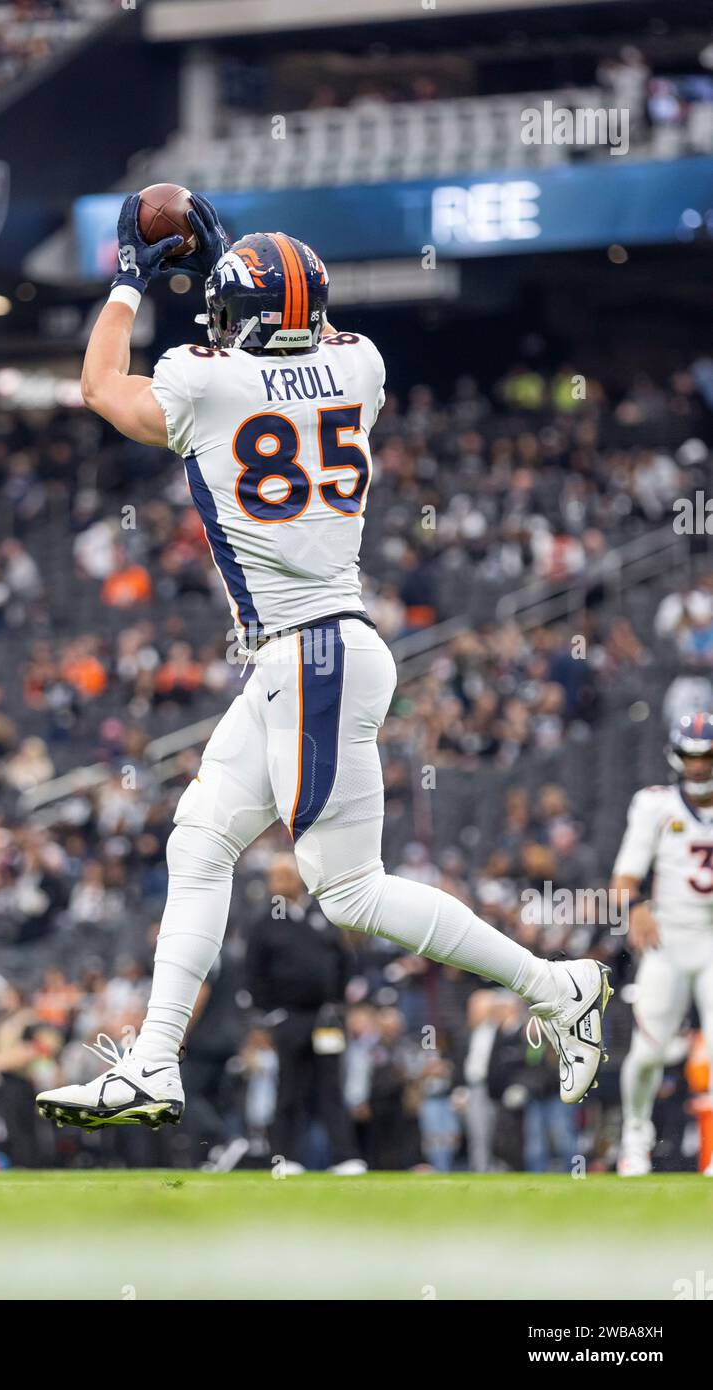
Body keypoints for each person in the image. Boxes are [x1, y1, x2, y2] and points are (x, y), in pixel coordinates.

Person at [36, 193, 611, 1133]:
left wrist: (133, 277)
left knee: (346, 888)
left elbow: (103, 385)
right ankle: (152, 1061)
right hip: (310, 653)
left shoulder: (198, 377)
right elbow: (294, 336)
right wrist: (239, 264)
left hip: (310, 653)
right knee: (199, 838)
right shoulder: (361, 365)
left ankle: (558, 985)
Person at [612, 712, 713, 1176]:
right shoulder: (655, 804)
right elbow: (624, 877)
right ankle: (635, 1135)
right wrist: (636, 907)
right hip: (669, 940)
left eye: (705, 757)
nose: (697, 767)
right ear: (676, 757)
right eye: (691, 757)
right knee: (649, 1051)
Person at [245, 854, 363, 1174]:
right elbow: (254, 975)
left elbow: (344, 962)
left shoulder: (323, 915)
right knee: (289, 1090)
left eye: (286, 875)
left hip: (325, 1019)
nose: (280, 882)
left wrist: (339, 1005)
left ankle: (345, 1157)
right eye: (275, 876)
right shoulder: (264, 923)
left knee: (331, 1087)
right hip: (289, 1018)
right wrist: (270, 1015)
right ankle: (286, 1158)